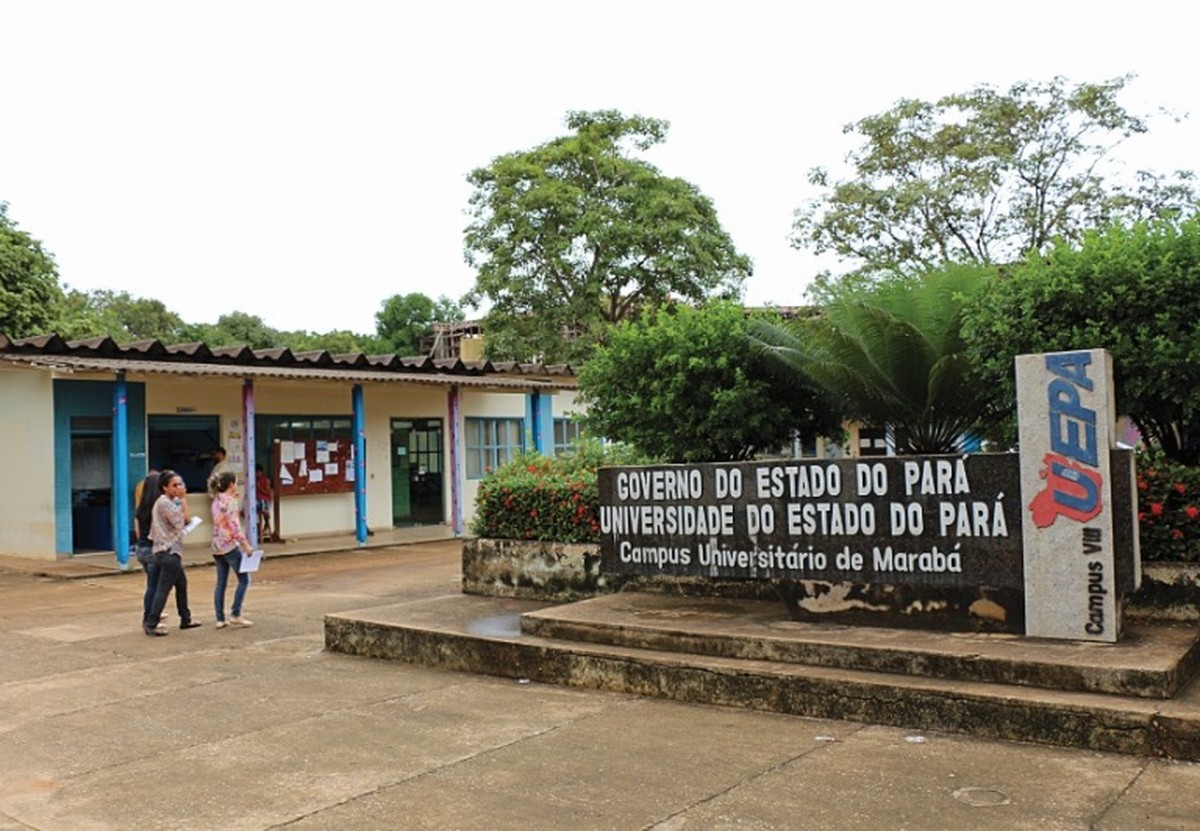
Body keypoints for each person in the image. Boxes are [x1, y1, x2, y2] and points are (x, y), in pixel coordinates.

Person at [144, 470, 202, 636]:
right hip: (167, 552)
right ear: (165, 488)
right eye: (174, 485)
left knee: (181, 584)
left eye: (180, 484)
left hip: (172, 551)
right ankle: (151, 623)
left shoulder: (170, 502)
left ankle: (186, 618)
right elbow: (181, 522)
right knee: (163, 589)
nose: (178, 488)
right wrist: (183, 499)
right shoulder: (164, 503)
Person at [210, 470, 254, 628]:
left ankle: (220, 618)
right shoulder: (230, 502)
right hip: (229, 545)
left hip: (216, 545)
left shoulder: (216, 501)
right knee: (244, 579)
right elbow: (234, 526)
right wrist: (245, 544)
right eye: (236, 483)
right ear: (231, 485)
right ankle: (236, 613)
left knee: (221, 582)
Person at [255, 464, 274, 541]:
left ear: (261, 472)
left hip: (264, 499)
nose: (257, 474)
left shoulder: (266, 480)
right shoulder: (254, 480)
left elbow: (268, 493)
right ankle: (260, 530)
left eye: (258, 472)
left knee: (263, 508)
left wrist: (259, 487)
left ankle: (266, 520)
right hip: (257, 499)